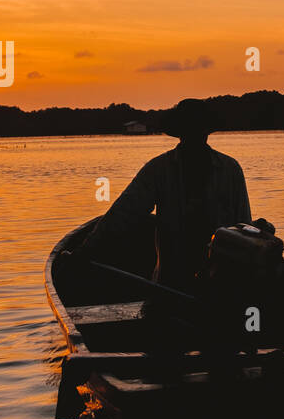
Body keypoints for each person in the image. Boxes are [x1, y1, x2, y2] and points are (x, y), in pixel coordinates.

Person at [72, 97, 262, 291]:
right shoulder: (159, 169)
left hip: (221, 284)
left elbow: (244, 226)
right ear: (181, 132)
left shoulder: (229, 169)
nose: (194, 134)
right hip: (171, 283)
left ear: (205, 131)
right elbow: (124, 213)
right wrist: (87, 250)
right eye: (190, 128)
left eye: (198, 128)